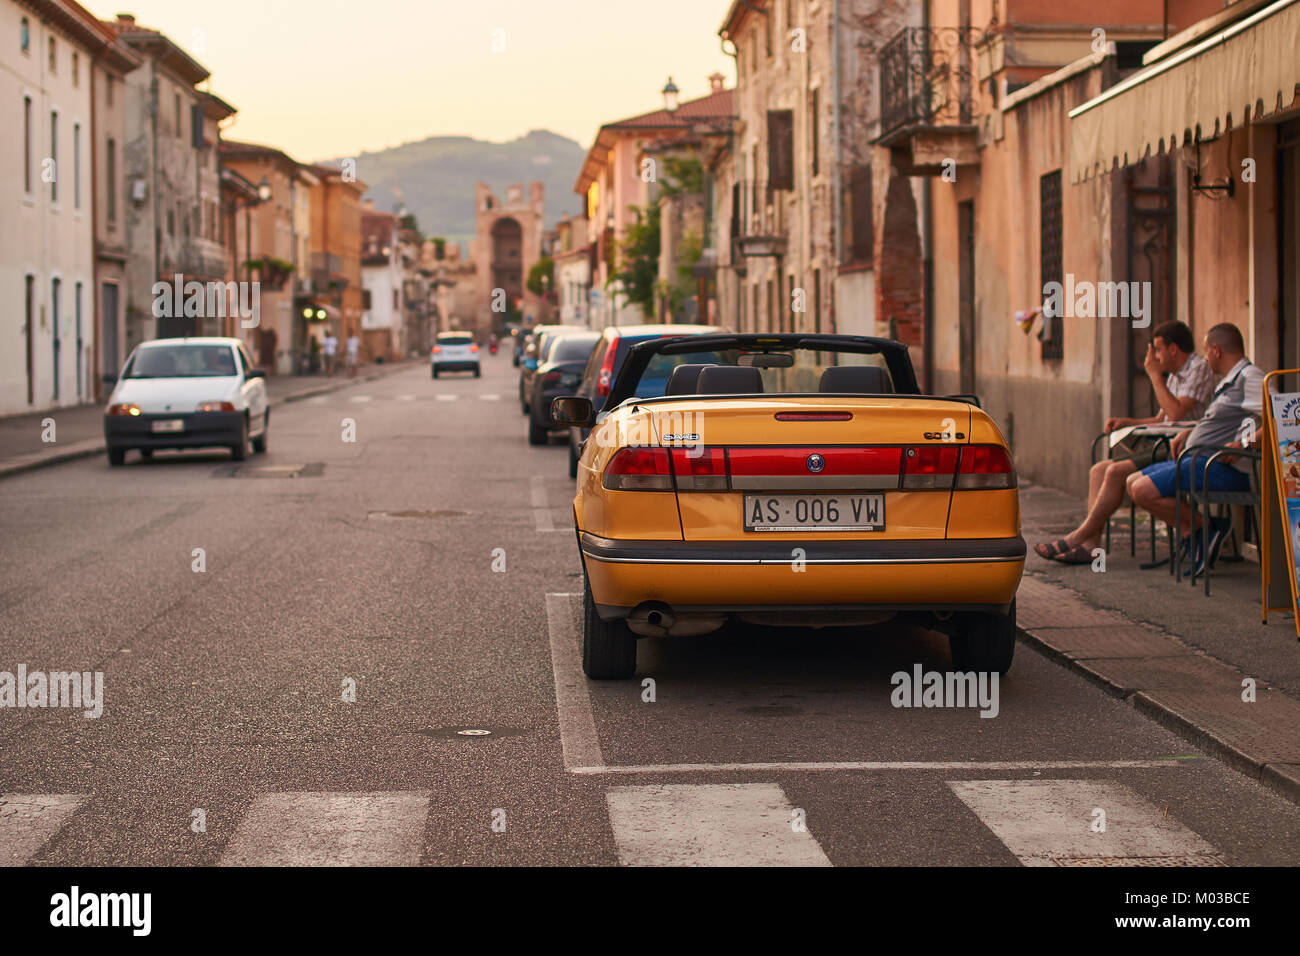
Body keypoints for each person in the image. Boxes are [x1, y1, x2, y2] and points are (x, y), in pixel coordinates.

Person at [1036, 321, 1215, 564]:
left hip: (1183, 448)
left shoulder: (1198, 368)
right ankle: (1090, 545)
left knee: (1115, 471)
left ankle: (1078, 536)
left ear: (1173, 349)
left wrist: (1153, 376)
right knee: (1098, 470)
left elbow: (1175, 414)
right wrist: (1128, 422)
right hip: (1163, 443)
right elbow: (1161, 419)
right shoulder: (1174, 376)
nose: (1155, 357)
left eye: (1159, 350)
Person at [1126, 322, 1266, 575]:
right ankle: (1202, 530)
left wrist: (1245, 443)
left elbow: (1281, 419)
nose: (1205, 356)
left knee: (1141, 489)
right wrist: (1192, 433)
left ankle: (1205, 528)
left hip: (1226, 468)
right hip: (1203, 460)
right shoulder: (1229, 381)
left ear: (1216, 351)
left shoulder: (1250, 378)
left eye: (1206, 350)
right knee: (1132, 481)